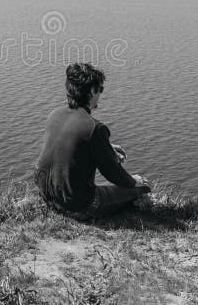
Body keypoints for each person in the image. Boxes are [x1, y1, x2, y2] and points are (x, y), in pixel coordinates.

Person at [34, 62, 150, 219]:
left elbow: (72, 146)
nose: (101, 94)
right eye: (100, 89)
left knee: (101, 184)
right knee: (142, 188)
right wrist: (134, 182)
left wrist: (107, 146)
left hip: (48, 196)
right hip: (79, 205)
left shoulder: (54, 115)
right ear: (91, 91)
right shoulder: (95, 128)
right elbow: (113, 173)